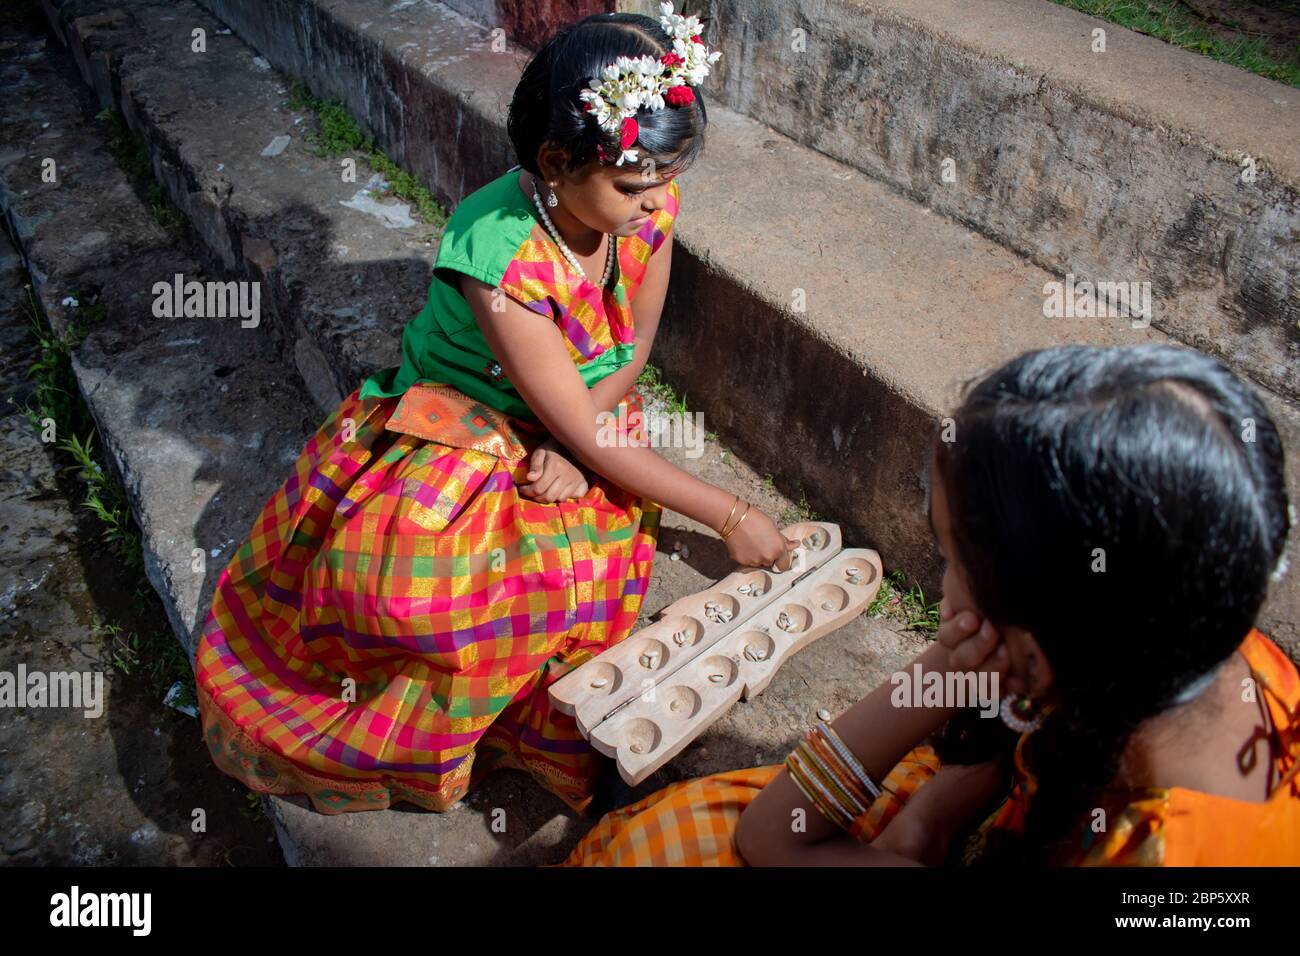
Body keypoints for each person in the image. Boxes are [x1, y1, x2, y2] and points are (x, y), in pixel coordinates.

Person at [194, 5, 797, 815]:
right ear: (555, 161)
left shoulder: (648, 209)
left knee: (580, 531)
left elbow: (632, 350)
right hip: (461, 422)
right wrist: (730, 513)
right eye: (632, 188)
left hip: (568, 411)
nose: (656, 207)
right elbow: (587, 418)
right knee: (443, 593)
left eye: (664, 185)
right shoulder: (500, 254)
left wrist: (573, 442)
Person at [561, 344, 1299, 865]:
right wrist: (929, 816)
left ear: (1035, 656)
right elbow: (1014, 751)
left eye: (952, 563)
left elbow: (773, 835)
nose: (942, 587)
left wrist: (948, 683)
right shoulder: (1182, 645)